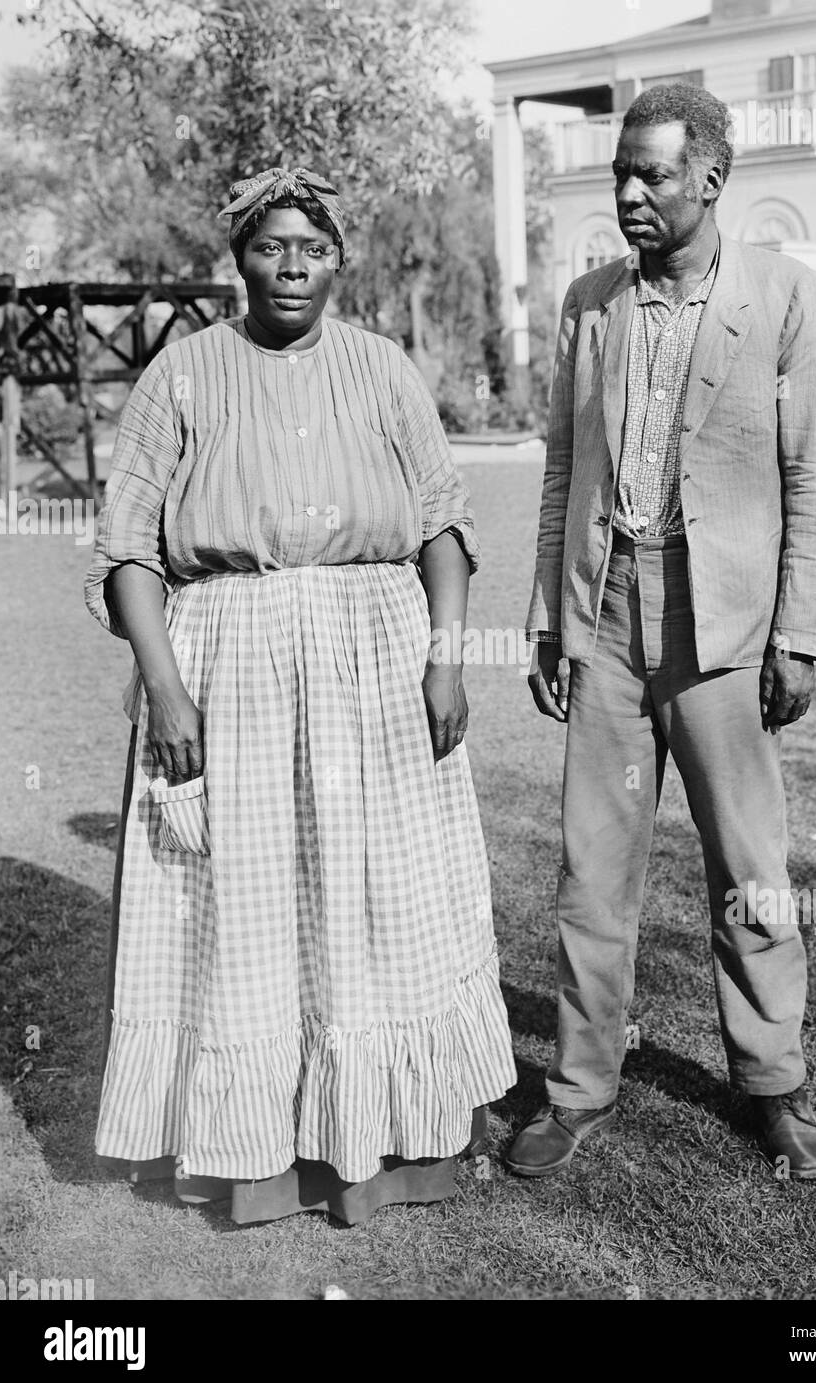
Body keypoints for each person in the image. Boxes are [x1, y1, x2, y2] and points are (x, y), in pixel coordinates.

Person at [85, 165, 516, 1226]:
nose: (291, 266)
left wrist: (446, 658)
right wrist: (164, 684)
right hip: (227, 654)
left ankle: (389, 1139)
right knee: (241, 898)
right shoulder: (181, 376)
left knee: (379, 897)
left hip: (375, 655)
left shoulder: (383, 369)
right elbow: (129, 546)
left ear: (339, 260)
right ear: (239, 258)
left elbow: (442, 529)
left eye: (311, 249)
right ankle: (250, 1152)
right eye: (271, 246)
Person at [506, 85, 816, 1181]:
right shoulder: (587, 303)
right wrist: (549, 620)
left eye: (652, 174)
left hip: (724, 633)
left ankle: (774, 1087)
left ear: (709, 180)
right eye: (622, 173)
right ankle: (576, 1088)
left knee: (749, 870)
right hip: (604, 620)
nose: (629, 193)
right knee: (590, 870)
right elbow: (565, 466)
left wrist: (796, 633)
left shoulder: (786, 299)